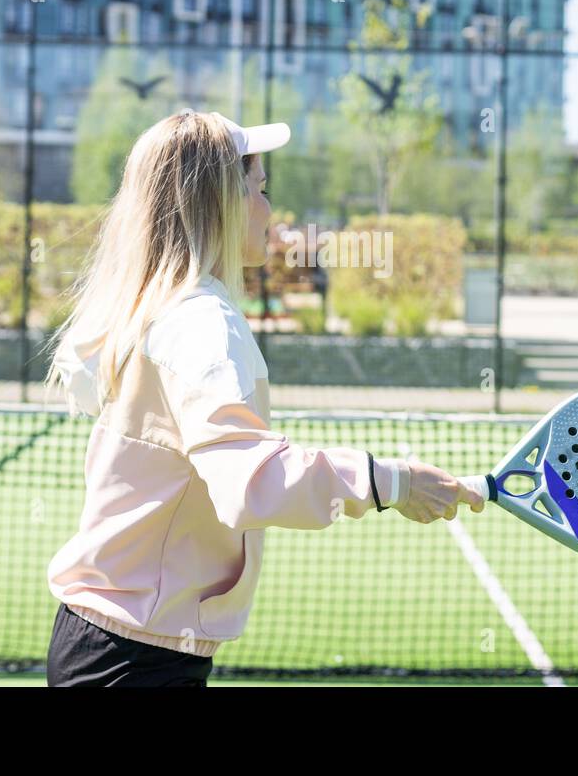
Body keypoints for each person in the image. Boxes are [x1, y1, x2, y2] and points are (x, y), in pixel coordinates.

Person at [42, 110, 483, 687]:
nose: (269, 209)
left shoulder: (160, 308)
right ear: (219, 201)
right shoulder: (199, 323)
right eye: (260, 189)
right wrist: (388, 483)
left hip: (120, 645)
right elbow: (247, 482)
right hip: (132, 659)